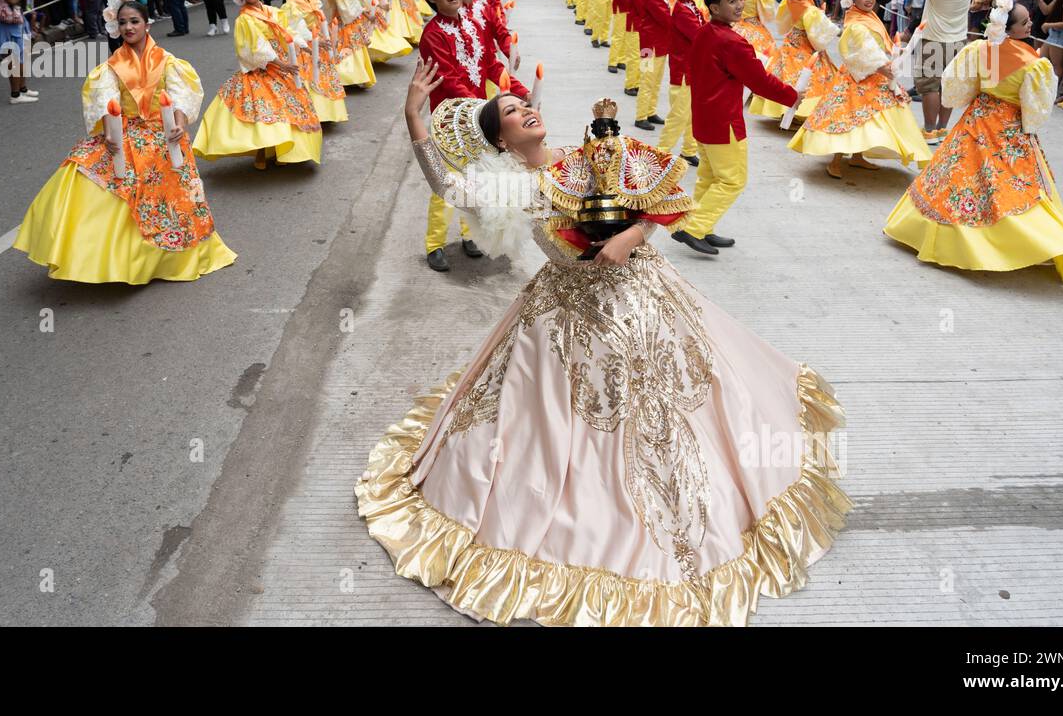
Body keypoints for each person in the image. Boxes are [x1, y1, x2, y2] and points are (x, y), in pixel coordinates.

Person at [355, 60, 851, 627]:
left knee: (694, 393)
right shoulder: (503, 187)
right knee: (565, 424)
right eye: (512, 112)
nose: (525, 109)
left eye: (524, 103)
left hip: (645, 289)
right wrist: (413, 116)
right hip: (567, 313)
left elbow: (661, 200)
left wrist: (633, 236)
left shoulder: (584, 155)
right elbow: (445, 183)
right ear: (500, 139)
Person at [884, 0, 1063, 281]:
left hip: (977, 118)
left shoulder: (980, 49)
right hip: (1010, 127)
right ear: (1011, 27)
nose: (1030, 24)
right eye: (1025, 22)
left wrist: (981, 96)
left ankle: (938, 236)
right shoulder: (1034, 63)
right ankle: (1018, 242)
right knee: (1011, 186)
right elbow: (1036, 110)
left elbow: (955, 88)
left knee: (956, 178)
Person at [13, 0, 235, 282]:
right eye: (122, 23)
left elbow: (180, 96)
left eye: (134, 21)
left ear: (147, 24)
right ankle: (113, 260)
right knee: (91, 175)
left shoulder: (168, 62)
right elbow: (107, 102)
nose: (128, 27)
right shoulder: (112, 66)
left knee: (173, 199)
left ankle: (171, 259)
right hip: (128, 133)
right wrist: (109, 132)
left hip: (163, 134)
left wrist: (178, 125)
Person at [416, 0, 532, 272]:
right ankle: (435, 244)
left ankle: (470, 235)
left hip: (479, 115)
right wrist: (486, 110)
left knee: (476, 178)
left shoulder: (474, 22)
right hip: (451, 121)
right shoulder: (432, 35)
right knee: (446, 183)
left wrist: (519, 92)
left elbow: (491, 65)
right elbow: (450, 80)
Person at [677, 0, 801, 253]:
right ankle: (695, 228)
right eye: (731, 1)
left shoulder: (705, 33)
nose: (739, 5)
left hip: (705, 118)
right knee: (733, 180)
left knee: (710, 178)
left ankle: (701, 225)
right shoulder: (731, 42)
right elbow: (759, 81)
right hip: (724, 121)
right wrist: (792, 96)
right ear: (715, 7)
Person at [788, 0, 932, 178]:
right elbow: (857, 53)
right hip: (857, 76)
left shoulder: (869, 17)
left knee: (864, 120)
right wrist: (883, 68)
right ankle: (836, 161)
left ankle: (857, 156)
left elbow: (876, 47)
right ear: (853, 0)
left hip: (875, 72)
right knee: (847, 117)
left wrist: (887, 64)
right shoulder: (855, 23)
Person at [193, 0, 322, 169]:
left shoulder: (272, 11)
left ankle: (286, 150)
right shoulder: (244, 20)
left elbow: (288, 32)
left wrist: (304, 44)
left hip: (281, 63)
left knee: (288, 105)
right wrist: (282, 64)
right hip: (263, 68)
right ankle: (262, 151)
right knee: (264, 111)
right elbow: (255, 49)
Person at [908, 0, 979, 145]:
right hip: (958, 40)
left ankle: (929, 131)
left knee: (929, 86)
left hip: (935, 38)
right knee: (947, 85)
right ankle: (941, 129)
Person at [279, 0, 348, 124]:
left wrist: (326, 35)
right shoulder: (290, 4)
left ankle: (329, 113)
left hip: (320, 41)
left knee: (325, 75)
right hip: (307, 46)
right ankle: (317, 114)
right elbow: (297, 28)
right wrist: (313, 41)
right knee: (311, 78)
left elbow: (321, 18)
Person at [657, 0, 704, 166]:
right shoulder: (682, 11)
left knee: (693, 114)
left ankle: (688, 150)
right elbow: (701, 37)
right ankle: (659, 154)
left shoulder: (692, 6)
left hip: (694, 69)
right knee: (678, 116)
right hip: (684, 71)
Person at [322, 0, 376, 88]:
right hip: (347, 21)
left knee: (343, 48)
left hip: (338, 21)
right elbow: (351, 8)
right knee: (352, 49)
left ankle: (347, 77)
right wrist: (366, 15)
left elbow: (329, 9)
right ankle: (348, 77)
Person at [633, 0, 671, 130]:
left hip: (660, 44)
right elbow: (666, 19)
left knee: (656, 81)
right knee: (647, 81)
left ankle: (651, 111)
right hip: (649, 46)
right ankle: (641, 116)